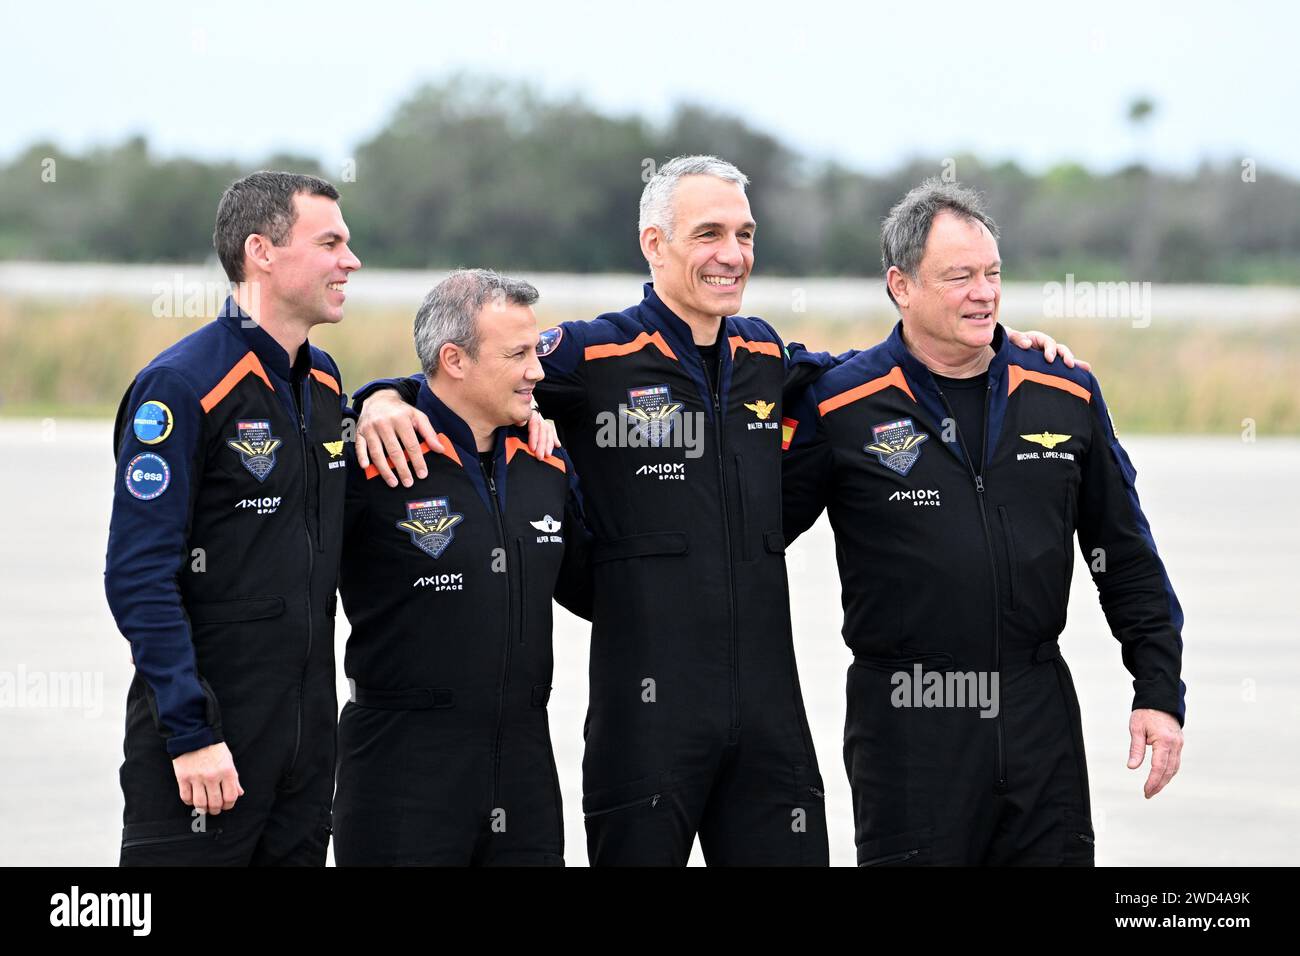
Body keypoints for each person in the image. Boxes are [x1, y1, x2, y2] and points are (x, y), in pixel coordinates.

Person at [353, 156, 1079, 866]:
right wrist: (384, 396)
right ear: (655, 244)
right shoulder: (591, 355)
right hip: (646, 723)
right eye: (710, 234)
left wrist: (999, 343)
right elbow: (469, 371)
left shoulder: (765, 354)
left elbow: (889, 367)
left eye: (746, 234)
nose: (733, 254)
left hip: (769, 726)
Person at [781, 179, 1185, 865]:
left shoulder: (1064, 390)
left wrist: (1159, 688)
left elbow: (1125, 554)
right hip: (908, 718)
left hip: (1036, 713)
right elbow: (753, 535)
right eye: (960, 276)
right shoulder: (841, 405)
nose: (984, 293)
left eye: (993, 273)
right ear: (900, 286)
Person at [105, 171, 359, 864]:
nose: (351, 260)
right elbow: (138, 577)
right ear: (262, 252)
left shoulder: (326, 382)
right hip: (205, 757)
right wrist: (190, 732)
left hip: (305, 762)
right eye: (330, 242)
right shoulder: (183, 385)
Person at [332, 269, 591, 866]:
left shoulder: (545, 462)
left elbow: (598, 589)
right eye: (518, 354)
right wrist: (376, 398)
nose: (537, 371)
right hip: (401, 764)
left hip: (524, 766)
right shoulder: (372, 460)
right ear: (454, 360)